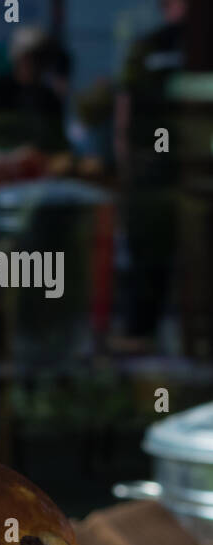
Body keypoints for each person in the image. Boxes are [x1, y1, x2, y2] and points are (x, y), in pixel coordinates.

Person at [115, 0, 187, 341]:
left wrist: (128, 168)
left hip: (155, 174)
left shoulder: (147, 47)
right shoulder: (157, 46)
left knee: (149, 269)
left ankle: (141, 338)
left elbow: (124, 114)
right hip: (171, 173)